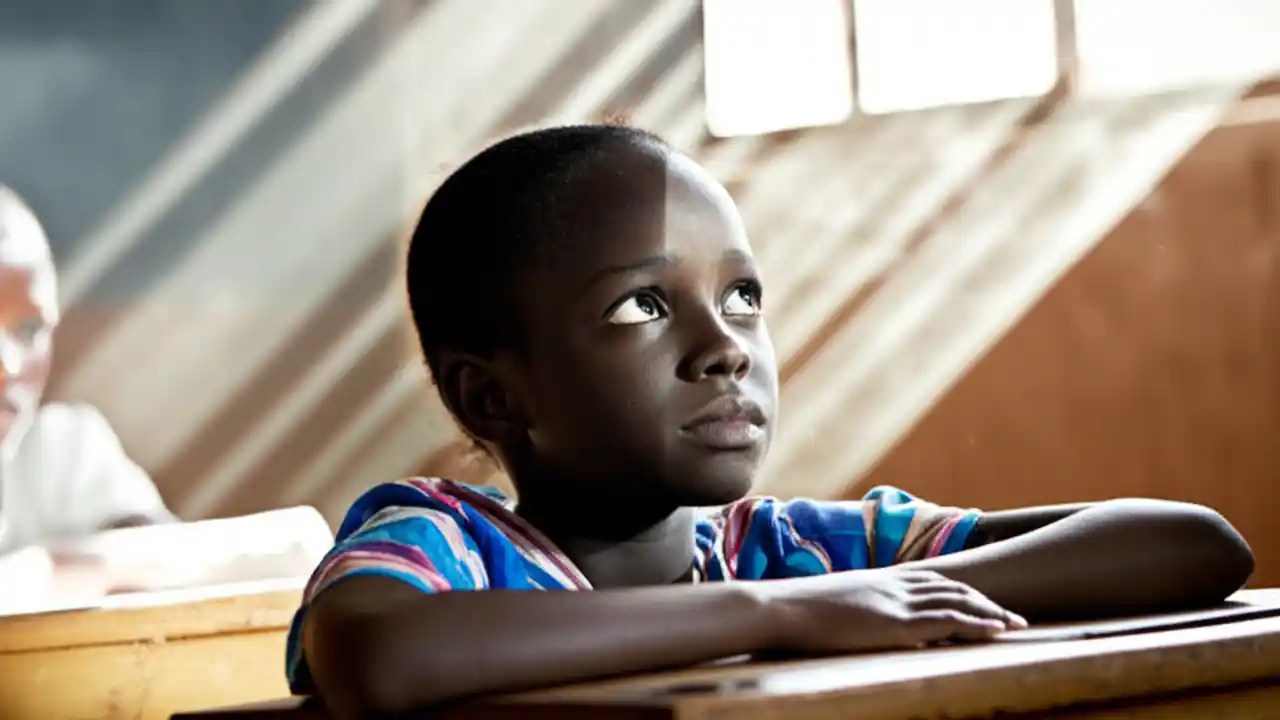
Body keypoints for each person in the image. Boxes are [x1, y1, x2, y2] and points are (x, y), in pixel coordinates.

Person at [289, 126, 1255, 718]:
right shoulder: (446, 541)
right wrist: (787, 614)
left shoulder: (791, 545)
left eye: (743, 295)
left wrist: (890, 592)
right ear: (491, 396)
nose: (727, 348)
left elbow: (1193, 545)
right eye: (641, 307)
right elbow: (381, 655)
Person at [0, 186, 173, 560]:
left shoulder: (61, 449)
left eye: (29, 330)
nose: (8, 365)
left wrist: (54, 573)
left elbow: (176, 561)